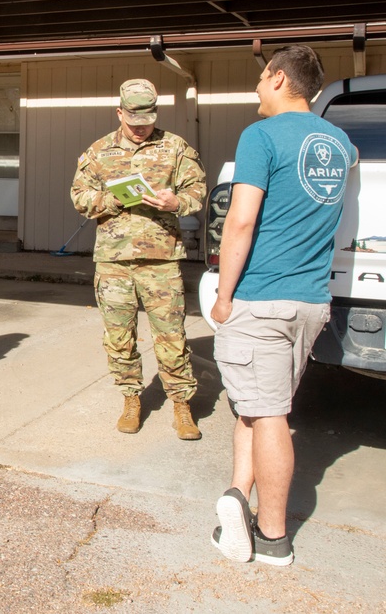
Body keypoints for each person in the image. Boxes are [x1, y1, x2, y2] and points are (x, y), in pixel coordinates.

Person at [210, 45, 356, 566]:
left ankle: (272, 538)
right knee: (255, 405)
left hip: (263, 298)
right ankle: (234, 499)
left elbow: (241, 220)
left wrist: (224, 297)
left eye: (259, 78)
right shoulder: (340, 143)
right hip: (312, 301)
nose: (255, 89)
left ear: (276, 78)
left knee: (268, 413)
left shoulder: (261, 136)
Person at [71, 78, 206, 440]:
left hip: (161, 259)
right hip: (114, 261)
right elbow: (80, 198)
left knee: (172, 337)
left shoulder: (175, 147)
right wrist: (113, 200)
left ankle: (181, 404)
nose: (141, 127)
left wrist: (178, 202)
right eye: (133, 120)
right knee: (119, 337)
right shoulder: (99, 151)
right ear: (120, 113)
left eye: (147, 119)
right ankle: (132, 399)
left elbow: (196, 190)